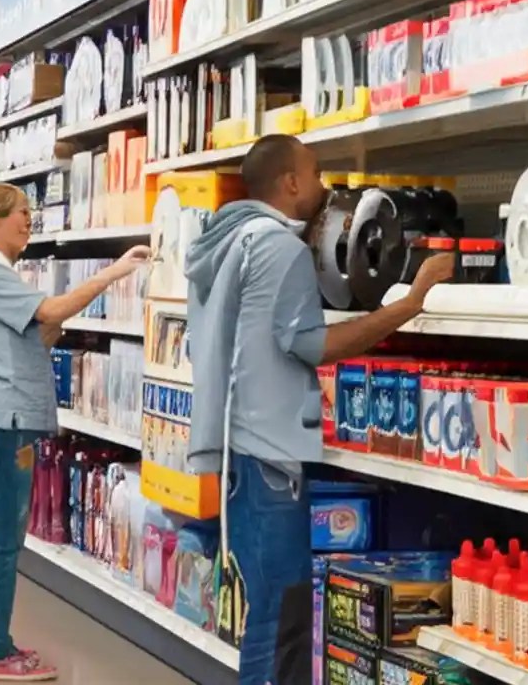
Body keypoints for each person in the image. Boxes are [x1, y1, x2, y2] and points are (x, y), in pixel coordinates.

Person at [184, 134, 456, 685]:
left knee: (264, 612)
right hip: (271, 459)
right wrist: (409, 302)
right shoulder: (278, 249)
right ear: (289, 183)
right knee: (281, 619)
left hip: (240, 450)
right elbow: (315, 345)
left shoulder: (226, 241)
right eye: (314, 174)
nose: (324, 184)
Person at [0, 183, 150, 681]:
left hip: (7, 418)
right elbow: (51, 313)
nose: (28, 220)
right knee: (0, 536)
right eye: (19, 213)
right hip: (2, 420)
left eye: (30, 212)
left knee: (4, 533)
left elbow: (40, 333)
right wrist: (115, 271)